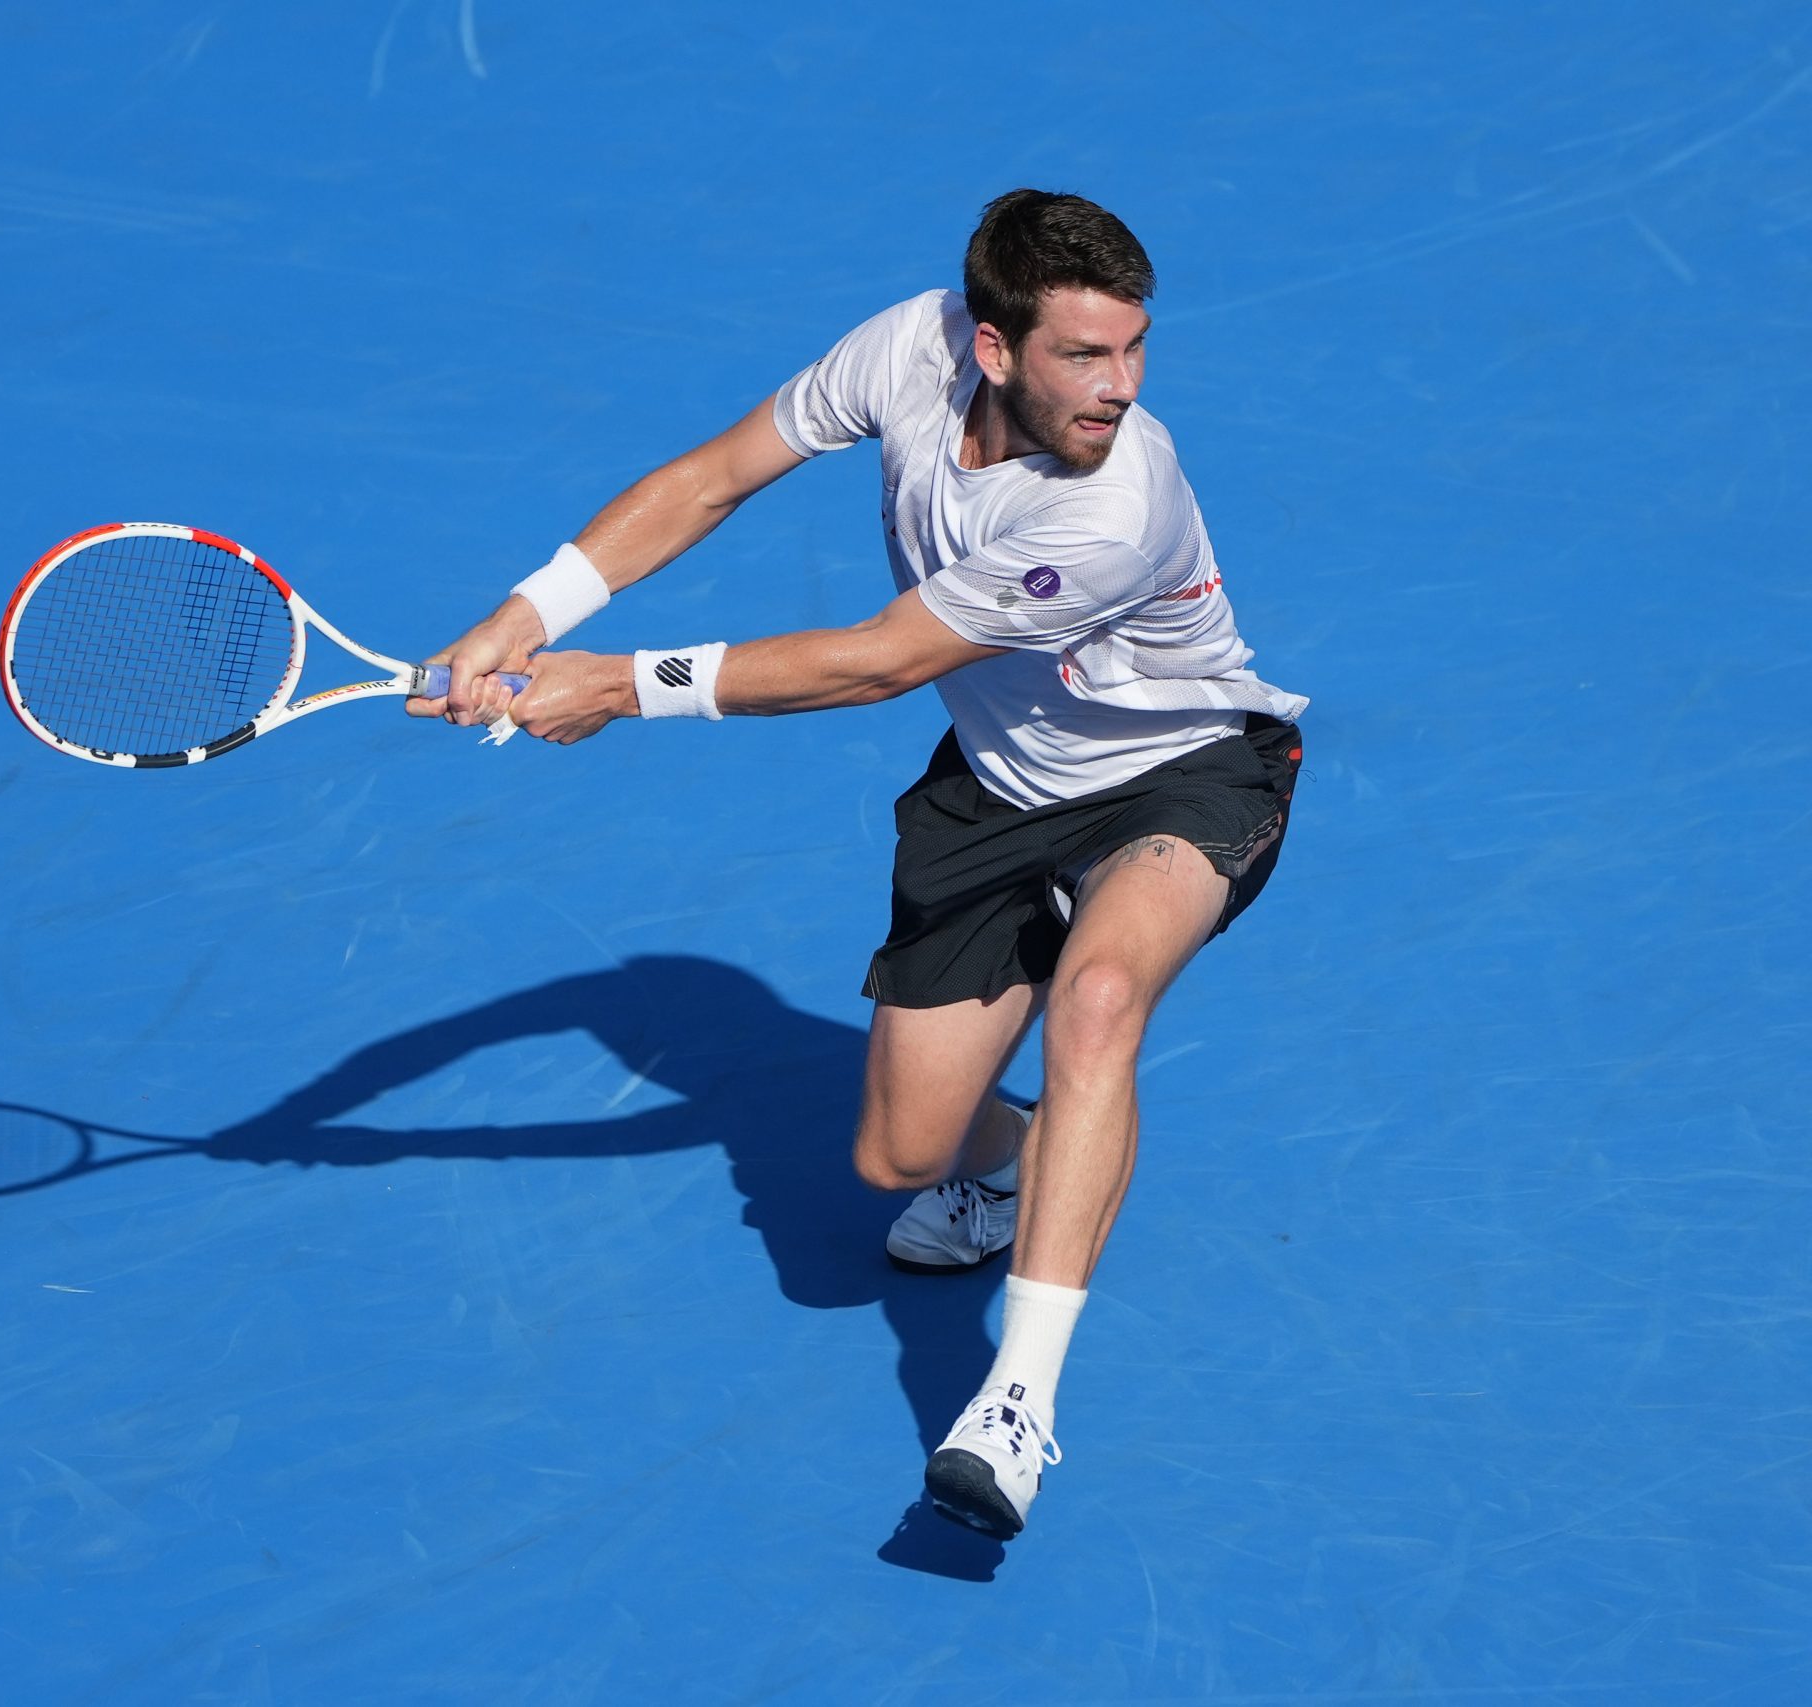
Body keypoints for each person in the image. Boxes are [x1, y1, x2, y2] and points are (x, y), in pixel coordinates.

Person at [409, 189, 1307, 1542]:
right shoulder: (905, 350)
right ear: (992, 348)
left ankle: (1016, 1404)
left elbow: (881, 663)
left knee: (1102, 998)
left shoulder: (1115, 507)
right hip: (999, 790)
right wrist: (523, 619)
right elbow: (711, 477)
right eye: (1083, 355)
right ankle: (1023, 1160)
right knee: (899, 1162)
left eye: (1133, 351)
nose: (1119, 387)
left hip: (1182, 772)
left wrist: (614, 686)